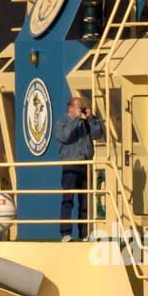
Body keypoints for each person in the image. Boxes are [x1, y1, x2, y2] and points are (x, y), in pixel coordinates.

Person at [53, 96, 103, 240]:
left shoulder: (83, 123)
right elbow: (66, 136)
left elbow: (97, 134)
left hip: (85, 164)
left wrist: (91, 119)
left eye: (82, 108)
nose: (81, 110)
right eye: (79, 107)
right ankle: (66, 233)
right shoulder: (62, 122)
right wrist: (77, 119)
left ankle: (84, 233)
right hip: (70, 164)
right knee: (68, 199)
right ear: (71, 108)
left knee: (85, 200)